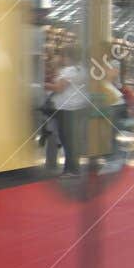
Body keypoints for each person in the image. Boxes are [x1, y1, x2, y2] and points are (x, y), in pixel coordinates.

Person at [47, 48, 88, 176]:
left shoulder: (69, 70)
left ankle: (72, 169)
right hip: (77, 108)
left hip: (66, 109)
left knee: (67, 141)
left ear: (68, 57)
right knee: (71, 140)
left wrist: (42, 84)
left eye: (63, 56)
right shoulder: (82, 70)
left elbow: (59, 88)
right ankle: (70, 168)